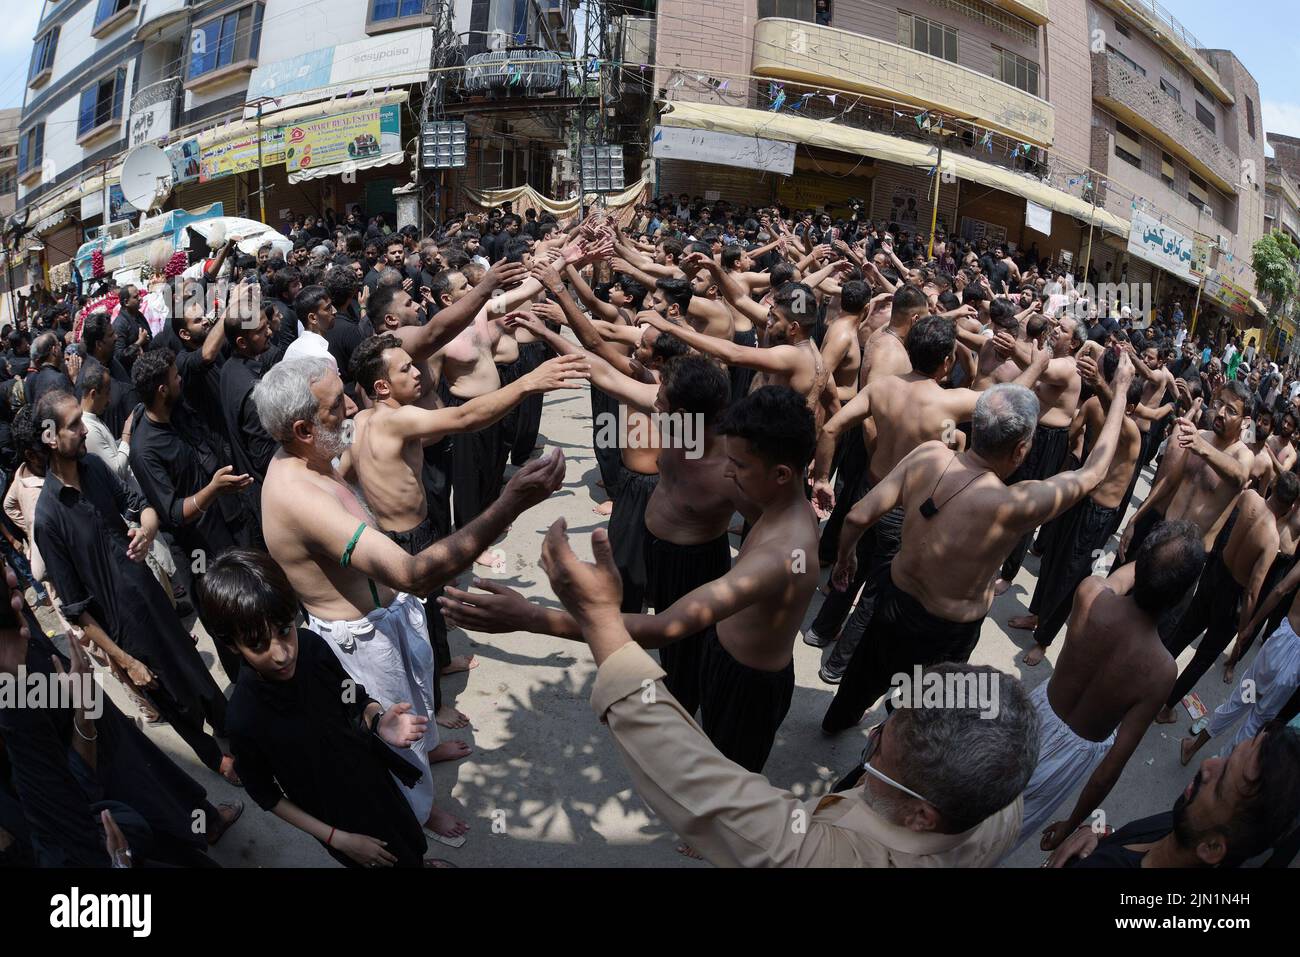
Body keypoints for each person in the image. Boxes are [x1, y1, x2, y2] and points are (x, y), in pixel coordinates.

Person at [524, 516, 1038, 865]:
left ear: (922, 815)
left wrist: (598, 621)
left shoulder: (819, 855)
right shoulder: (996, 799)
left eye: (881, 746)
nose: (874, 736)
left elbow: (695, 780)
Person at [255, 357, 565, 840]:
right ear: (303, 428)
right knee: (395, 736)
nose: (353, 408)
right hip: (362, 640)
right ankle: (419, 816)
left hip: (390, 613)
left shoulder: (316, 454)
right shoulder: (297, 495)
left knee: (420, 699)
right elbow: (415, 573)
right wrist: (511, 503)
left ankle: (429, 752)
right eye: (338, 406)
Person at [441, 386, 821, 778]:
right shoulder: (775, 499)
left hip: (748, 684)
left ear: (780, 474)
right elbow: (689, 431)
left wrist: (530, 617)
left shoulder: (782, 555)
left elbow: (662, 627)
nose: (726, 471)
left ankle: (709, 836)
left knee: (733, 778)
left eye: (739, 466)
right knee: (706, 741)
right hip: (722, 647)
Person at [822, 358, 1133, 734]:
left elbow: (856, 516)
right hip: (947, 632)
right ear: (1020, 451)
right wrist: (1121, 392)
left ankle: (836, 722)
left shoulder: (929, 454)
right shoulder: (1012, 506)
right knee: (918, 719)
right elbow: (1094, 473)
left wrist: (846, 559)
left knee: (860, 681)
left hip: (894, 600)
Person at [345, 332, 587, 727]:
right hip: (410, 542)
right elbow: (464, 417)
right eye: (406, 368)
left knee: (431, 617)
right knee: (416, 633)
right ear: (382, 386)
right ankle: (436, 708)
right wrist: (527, 382)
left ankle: (443, 663)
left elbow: (345, 474)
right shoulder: (398, 418)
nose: (418, 373)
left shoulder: (360, 421)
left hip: (393, 537)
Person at [31, 390, 238, 781]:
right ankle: (216, 759)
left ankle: (234, 732)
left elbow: (140, 504)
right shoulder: (48, 519)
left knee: (196, 673)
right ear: (50, 438)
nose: (83, 431)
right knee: (172, 699)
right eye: (73, 425)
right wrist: (126, 662)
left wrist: (145, 526)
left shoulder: (93, 467)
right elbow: (77, 610)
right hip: (126, 632)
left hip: (153, 600)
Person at [201, 550, 443, 869]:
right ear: (232, 645)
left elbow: (349, 694)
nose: (282, 654)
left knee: (408, 839)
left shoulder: (312, 646)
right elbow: (266, 795)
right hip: (337, 818)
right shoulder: (244, 719)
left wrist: (376, 719)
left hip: (373, 780)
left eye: (285, 630)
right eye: (258, 644)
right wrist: (337, 838)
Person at [1016, 522, 1206, 852]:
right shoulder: (1161, 671)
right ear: (1181, 598)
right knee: (1009, 829)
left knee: (977, 791)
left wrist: (1152, 556)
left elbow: (1122, 578)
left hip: (1034, 712)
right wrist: (1070, 825)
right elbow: (1108, 770)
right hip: (1070, 757)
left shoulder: (1090, 593)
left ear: (1140, 564)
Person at [1048, 727, 1300, 868]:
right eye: (1228, 755)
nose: (1208, 764)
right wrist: (1099, 835)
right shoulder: (1189, 825)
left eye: (1220, 781)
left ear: (1212, 848)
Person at [1154, 473, 1294, 724]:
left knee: (1183, 631)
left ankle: (1150, 678)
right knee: (1203, 658)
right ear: (1291, 506)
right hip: (1232, 597)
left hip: (1216, 573)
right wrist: (1243, 633)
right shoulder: (1272, 539)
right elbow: (1253, 590)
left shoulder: (1250, 498)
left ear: (1273, 487)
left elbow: (1228, 515)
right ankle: (1165, 708)